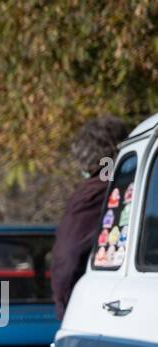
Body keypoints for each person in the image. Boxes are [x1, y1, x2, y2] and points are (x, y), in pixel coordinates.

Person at [51, 116, 132, 321]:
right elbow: (69, 258)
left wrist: (66, 306)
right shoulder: (111, 187)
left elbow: (67, 257)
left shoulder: (95, 191)